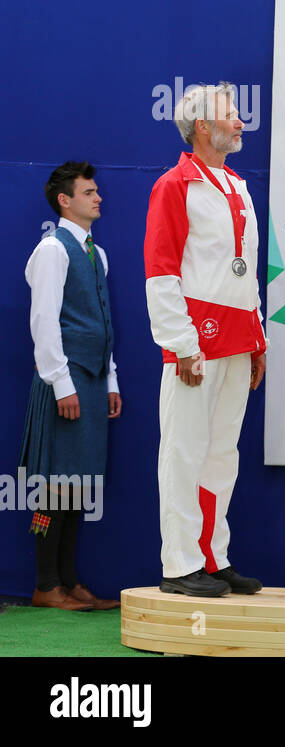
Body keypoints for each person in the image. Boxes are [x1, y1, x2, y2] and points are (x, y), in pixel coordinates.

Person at [146, 83, 265, 597]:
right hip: (197, 338)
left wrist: (257, 336)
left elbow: (245, 274)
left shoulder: (237, 184)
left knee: (222, 454)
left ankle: (212, 555)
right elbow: (161, 272)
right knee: (183, 451)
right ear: (202, 126)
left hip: (239, 337)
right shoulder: (174, 185)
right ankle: (179, 563)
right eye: (231, 115)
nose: (240, 122)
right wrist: (181, 343)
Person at [20, 162, 122, 611]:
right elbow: (43, 323)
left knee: (78, 485)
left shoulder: (96, 254)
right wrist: (62, 385)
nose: (98, 198)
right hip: (64, 380)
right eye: (89, 192)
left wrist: (111, 379)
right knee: (51, 487)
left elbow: (103, 321)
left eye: (97, 191)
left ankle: (69, 580)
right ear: (65, 200)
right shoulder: (52, 250)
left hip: (94, 381)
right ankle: (46, 583)